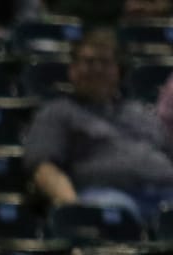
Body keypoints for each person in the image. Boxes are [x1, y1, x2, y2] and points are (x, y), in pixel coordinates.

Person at [25, 28, 173, 225]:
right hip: (107, 197)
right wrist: (74, 208)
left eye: (105, 62)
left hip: (164, 193)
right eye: (89, 62)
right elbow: (44, 168)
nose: (97, 69)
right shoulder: (57, 112)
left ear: (118, 70)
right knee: (115, 212)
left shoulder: (140, 112)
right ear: (73, 69)